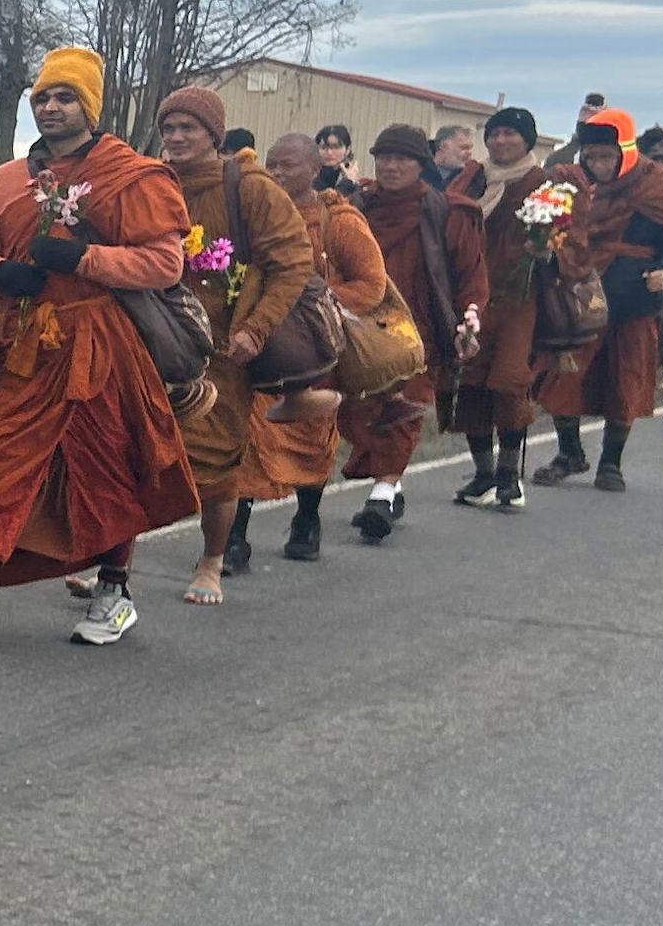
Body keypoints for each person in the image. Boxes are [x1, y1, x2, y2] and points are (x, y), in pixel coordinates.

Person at [0, 48, 199, 650]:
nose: (51, 107)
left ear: (89, 105)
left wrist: (84, 259)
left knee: (107, 467)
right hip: (26, 348)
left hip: (102, 346)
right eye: (43, 97)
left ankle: (113, 592)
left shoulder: (130, 173)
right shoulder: (9, 179)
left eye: (65, 97)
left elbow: (165, 262)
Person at [155, 87, 318, 604]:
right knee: (139, 449)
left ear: (213, 134)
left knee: (216, 462)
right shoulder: (151, 182)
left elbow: (294, 261)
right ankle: (115, 564)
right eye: (170, 128)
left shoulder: (247, 186)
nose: (177, 138)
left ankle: (212, 561)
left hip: (225, 350)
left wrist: (257, 328)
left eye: (189, 128)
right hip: (156, 340)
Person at [528, 105, 663, 493]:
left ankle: (611, 463)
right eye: (591, 157)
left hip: (634, 299)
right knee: (563, 375)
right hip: (579, 296)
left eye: (607, 157)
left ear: (626, 153)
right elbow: (554, 229)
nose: (599, 165)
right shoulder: (573, 186)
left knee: (626, 380)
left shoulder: (660, 189)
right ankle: (569, 452)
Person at [343, 123, 488, 543]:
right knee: (359, 412)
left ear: (420, 164)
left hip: (420, 329)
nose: (390, 166)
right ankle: (393, 485)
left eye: (401, 159)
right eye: (384, 157)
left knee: (404, 406)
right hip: (361, 327)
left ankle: (382, 493)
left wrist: (470, 318)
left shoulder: (449, 211)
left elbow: (470, 274)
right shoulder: (357, 207)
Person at [258, 131, 389, 563]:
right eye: (271, 164)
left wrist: (316, 303)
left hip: (316, 349)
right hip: (259, 343)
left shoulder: (339, 220)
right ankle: (234, 536)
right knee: (251, 435)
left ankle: (306, 518)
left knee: (312, 438)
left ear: (315, 169)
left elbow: (371, 286)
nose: (276, 172)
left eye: (287, 165)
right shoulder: (254, 214)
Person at [454, 107, 561, 510]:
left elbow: (569, 241)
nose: (500, 141)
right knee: (471, 382)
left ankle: (509, 476)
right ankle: (482, 475)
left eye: (510, 135)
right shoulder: (472, 178)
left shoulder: (544, 184)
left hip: (521, 298)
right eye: (494, 134)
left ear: (527, 141)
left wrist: (547, 251)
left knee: (510, 381)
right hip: (471, 294)